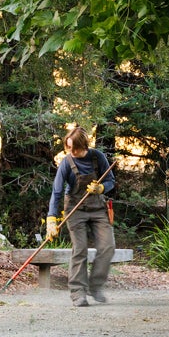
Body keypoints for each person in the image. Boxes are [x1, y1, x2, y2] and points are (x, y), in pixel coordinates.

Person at [46, 126, 116, 307]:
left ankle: (96, 286)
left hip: (97, 208)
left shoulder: (97, 157)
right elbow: (57, 191)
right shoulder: (66, 163)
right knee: (80, 249)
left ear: (84, 145)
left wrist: (101, 188)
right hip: (75, 210)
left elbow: (111, 181)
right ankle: (78, 292)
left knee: (108, 246)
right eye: (68, 147)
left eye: (74, 148)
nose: (71, 151)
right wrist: (51, 220)